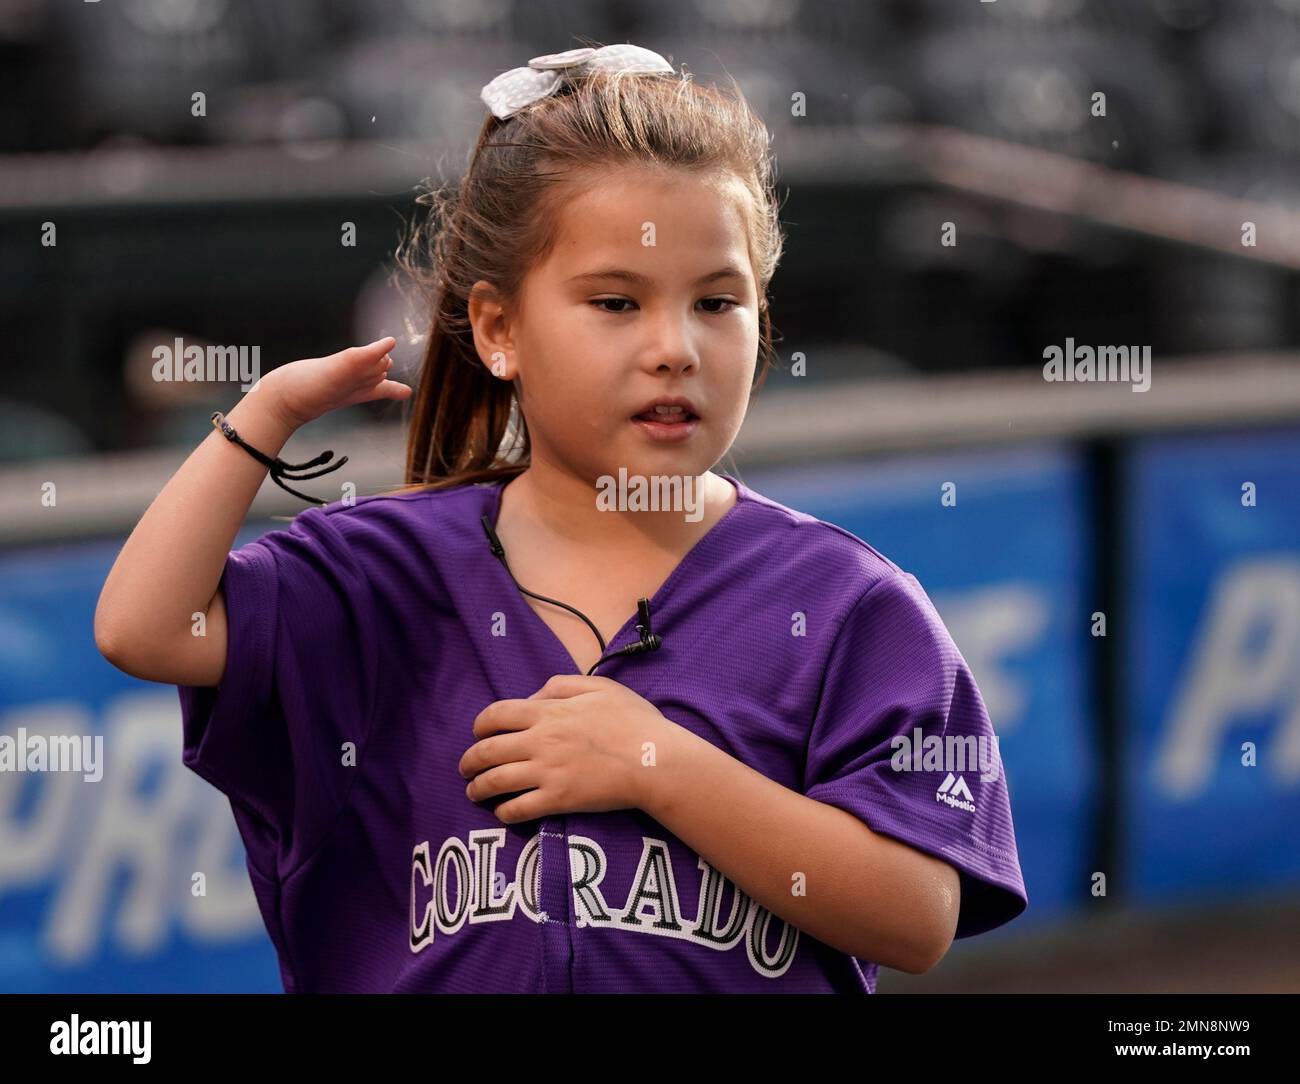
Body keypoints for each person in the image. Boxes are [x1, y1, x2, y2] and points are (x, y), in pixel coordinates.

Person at [94, 43, 1027, 993]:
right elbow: (144, 627)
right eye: (616, 302)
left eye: (717, 302)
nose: (674, 349)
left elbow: (917, 918)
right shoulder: (385, 573)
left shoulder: (844, 605)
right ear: (498, 329)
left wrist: (659, 764)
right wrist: (263, 420)